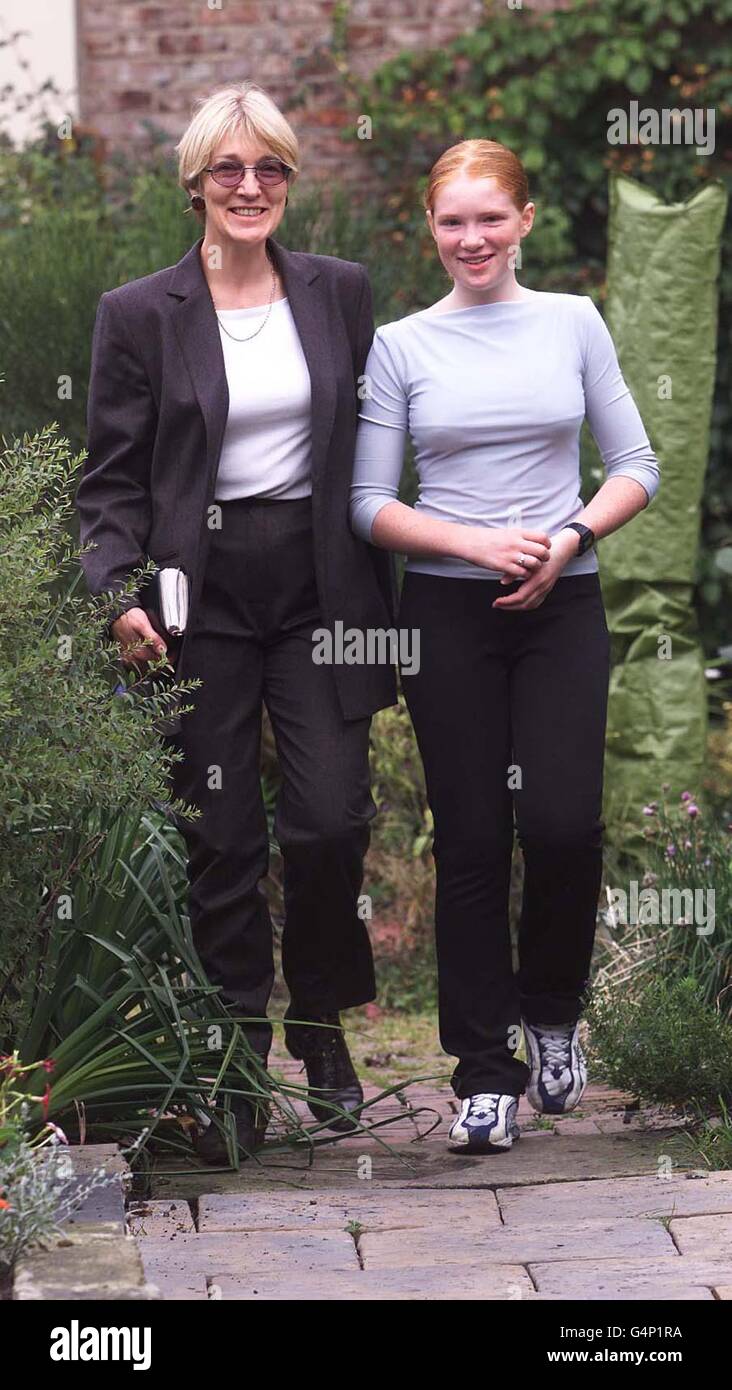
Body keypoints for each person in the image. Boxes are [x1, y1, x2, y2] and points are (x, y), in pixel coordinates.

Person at [76, 82, 397, 1163]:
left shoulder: (340, 292)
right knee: (222, 839)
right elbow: (112, 480)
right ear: (196, 184)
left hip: (318, 589)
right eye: (229, 170)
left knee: (328, 821)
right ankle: (232, 1055)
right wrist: (116, 590)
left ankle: (321, 1021)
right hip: (196, 601)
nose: (249, 187)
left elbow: (380, 434)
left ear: (291, 182)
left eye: (269, 170)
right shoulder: (137, 313)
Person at [349, 139, 660, 1155]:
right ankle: (484, 1072)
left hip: (563, 607)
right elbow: (368, 504)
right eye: (452, 221)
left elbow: (635, 465)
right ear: (429, 228)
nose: (471, 239)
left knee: (565, 825)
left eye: (491, 217)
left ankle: (555, 1012)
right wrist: (478, 542)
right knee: (474, 841)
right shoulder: (403, 345)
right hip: (449, 615)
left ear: (525, 220)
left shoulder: (571, 321)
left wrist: (566, 536)